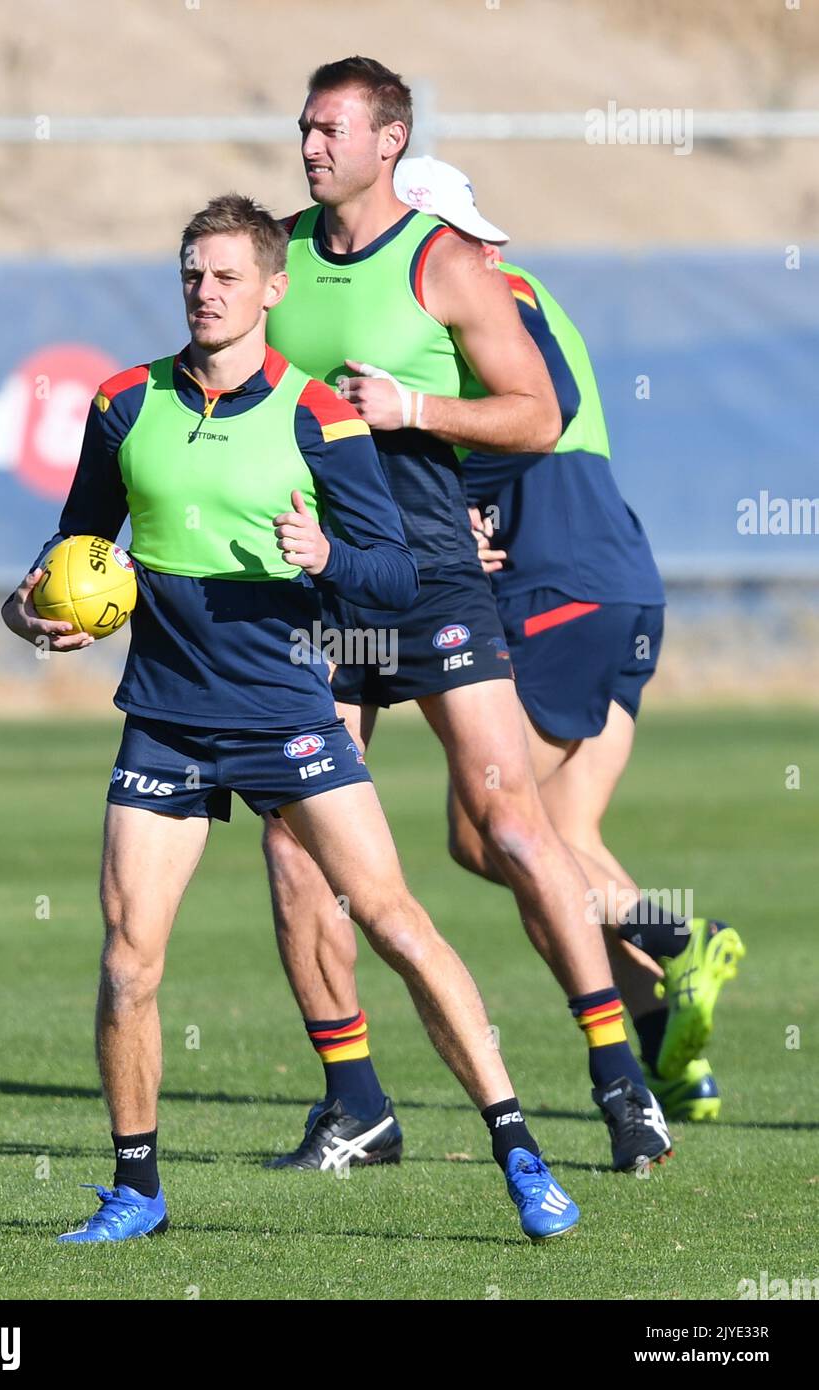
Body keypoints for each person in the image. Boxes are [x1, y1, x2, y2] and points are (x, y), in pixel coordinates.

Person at [1, 194, 579, 1244]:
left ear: (273, 288)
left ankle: (519, 1151)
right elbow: (69, 552)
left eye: (226, 276)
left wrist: (327, 562)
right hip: (165, 719)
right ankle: (136, 1190)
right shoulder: (124, 402)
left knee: (397, 922)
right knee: (129, 959)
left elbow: (396, 578)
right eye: (191, 273)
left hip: (286, 715)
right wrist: (33, 613)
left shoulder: (319, 414)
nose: (204, 292)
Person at [262, 56, 672, 1175]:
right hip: (321, 586)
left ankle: (616, 1077)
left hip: (436, 581)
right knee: (297, 843)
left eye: (331, 129)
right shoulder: (276, 258)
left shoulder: (444, 263)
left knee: (507, 826)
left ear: (388, 140)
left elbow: (537, 413)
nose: (310, 146)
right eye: (303, 127)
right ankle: (356, 1103)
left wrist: (414, 408)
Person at [395, 155, 746, 1120]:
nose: (478, 247)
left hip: (558, 582)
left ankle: (677, 938)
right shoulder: (521, 286)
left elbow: (526, 421)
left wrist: (454, 510)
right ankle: (670, 1050)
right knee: (564, 837)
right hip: (621, 579)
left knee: (489, 835)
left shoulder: (471, 299)